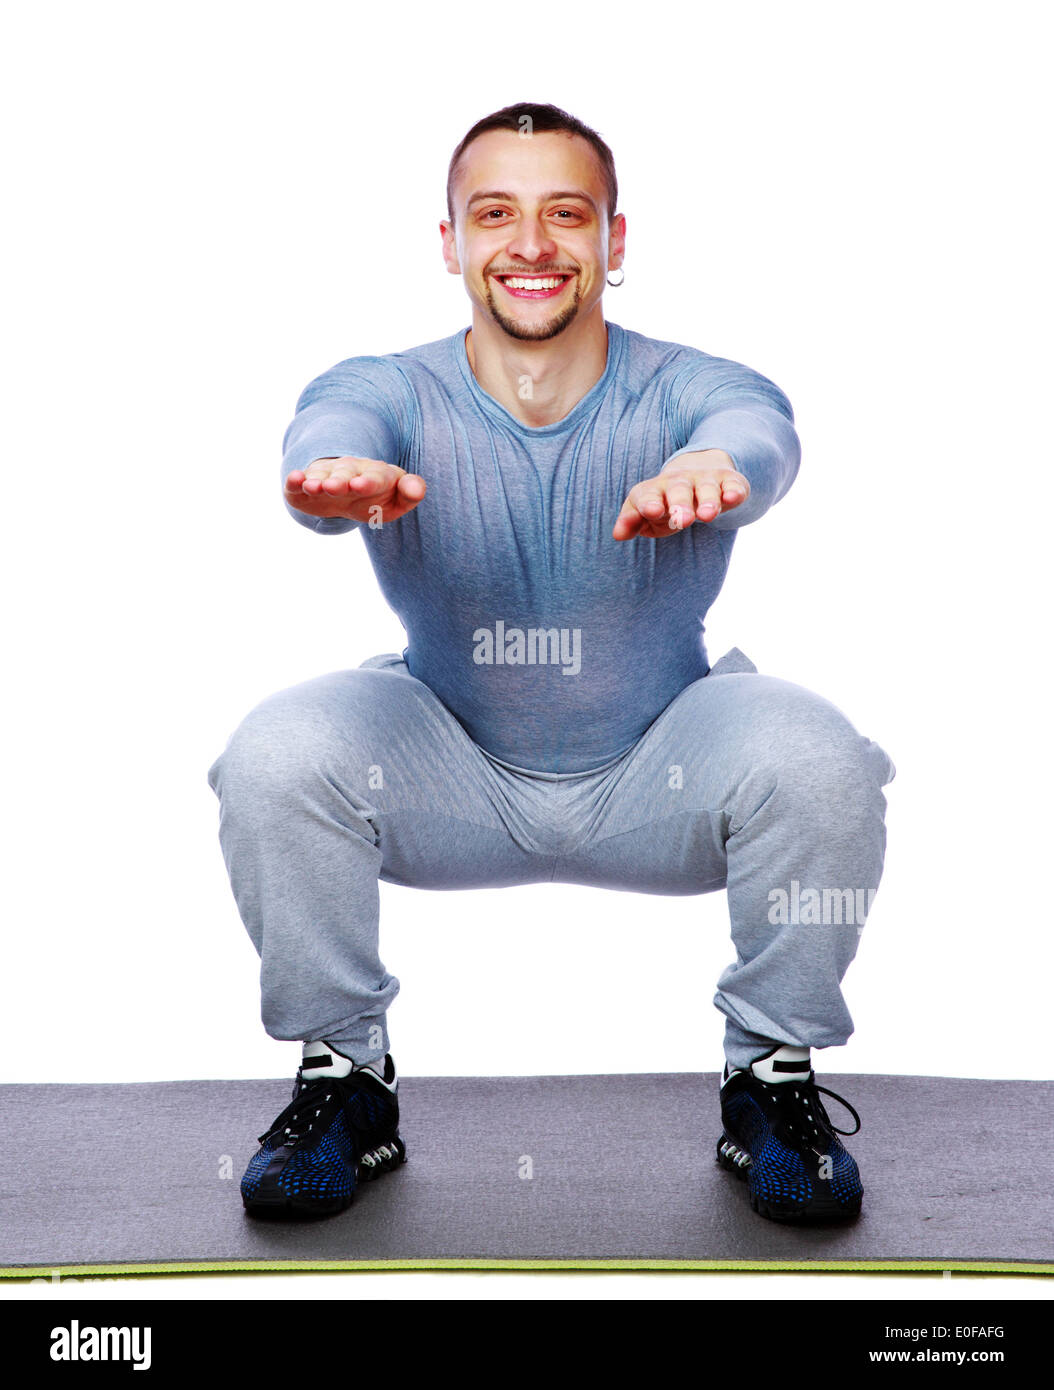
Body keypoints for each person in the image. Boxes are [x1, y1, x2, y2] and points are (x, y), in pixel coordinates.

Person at [207, 101, 896, 1226]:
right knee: (278, 748)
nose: (530, 243)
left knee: (818, 753)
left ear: (614, 244)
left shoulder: (690, 382)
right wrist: (331, 472)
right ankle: (346, 1076)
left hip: (662, 773)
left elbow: (759, 433)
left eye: (565, 214)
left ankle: (768, 1079)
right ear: (451, 245)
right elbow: (330, 425)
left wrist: (719, 464)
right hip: (448, 769)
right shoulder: (388, 385)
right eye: (496, 215)